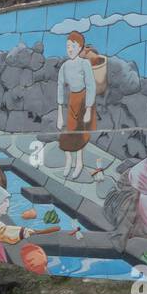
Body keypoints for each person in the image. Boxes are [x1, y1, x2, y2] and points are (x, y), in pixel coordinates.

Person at [56, 31, 96, 182]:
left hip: (84, 98)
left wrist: (89, 108)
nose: (70, 49)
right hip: (72, 99)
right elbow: (60, 86)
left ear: (80, 47)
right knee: (68, 131)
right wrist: (60, 113)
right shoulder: (65, 67)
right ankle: (69, 161)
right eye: (68, 46)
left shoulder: (84, 63)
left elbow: (91, 85)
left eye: (73, 46)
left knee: (79, 132)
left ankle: (79, 162)